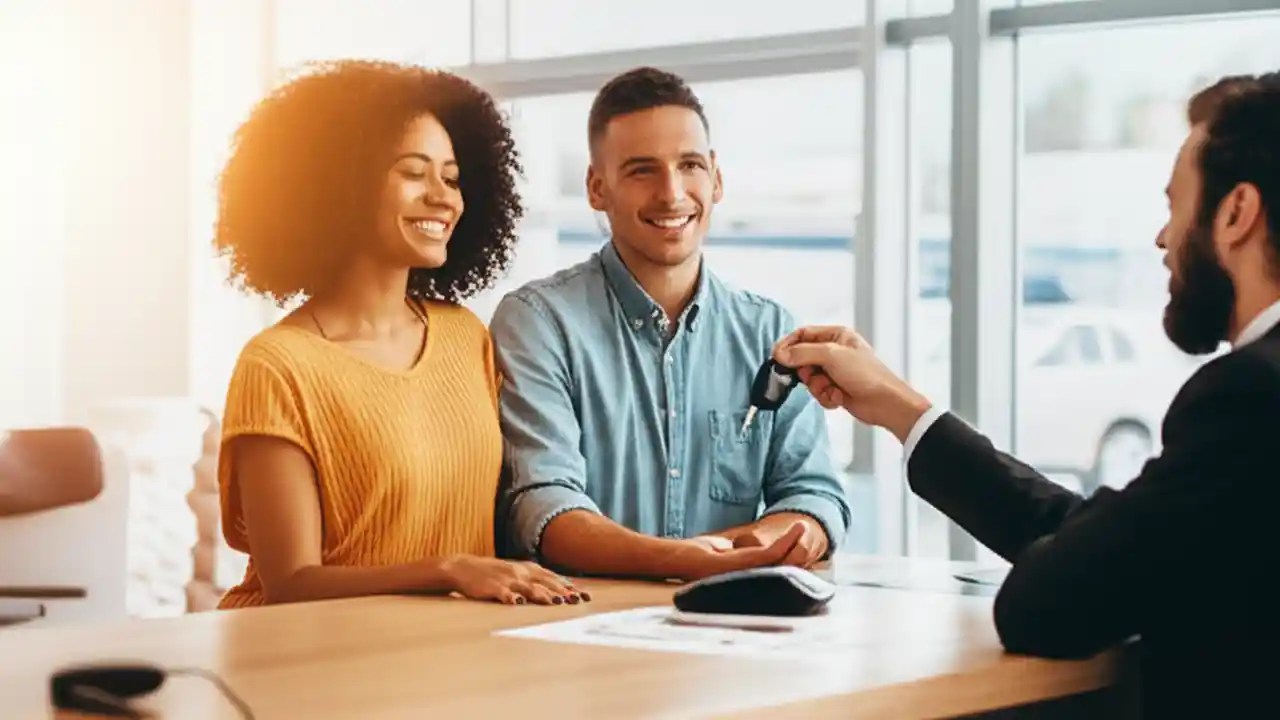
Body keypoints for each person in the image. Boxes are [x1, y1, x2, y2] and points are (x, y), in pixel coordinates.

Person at [772, 73, 1280, 717]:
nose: (1162, 238)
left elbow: (1047, 605)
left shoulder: (1248, 397)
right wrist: (906, 412)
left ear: (1235, 213)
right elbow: (1110, 547)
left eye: (1175, 205)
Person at [213, 60, 582, 608]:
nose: (443, 196)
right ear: (342, 182)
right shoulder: (279, 365)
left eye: (452, 178)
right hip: (304, 661)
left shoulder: (466, 337)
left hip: (441, 654)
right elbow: (291, 583)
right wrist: (447, 572)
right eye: (414, 172)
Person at [490, 67, 851, 581]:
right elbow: (541, 507)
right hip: (577, 633)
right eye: (642, 170)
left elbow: (812, 493)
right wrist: (683, 559)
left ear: (717, 178)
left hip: (731, 630)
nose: (673, 193)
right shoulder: (539, 322)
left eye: (690, 166)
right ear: (597, 187)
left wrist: (767, 541)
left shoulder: (769, 330)